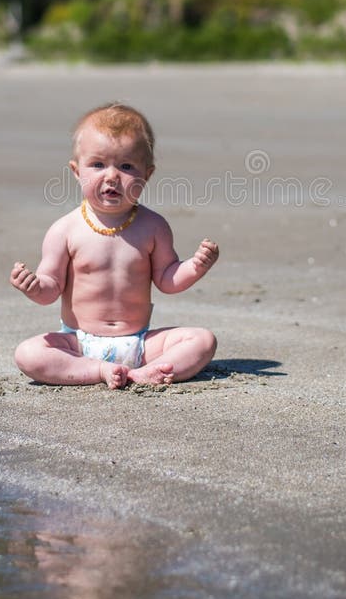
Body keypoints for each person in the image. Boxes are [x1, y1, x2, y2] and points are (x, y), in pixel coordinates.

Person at [11, 103, 219, 389]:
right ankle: (97, 370)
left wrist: (195, 266)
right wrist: (34, 286)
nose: (111, 176)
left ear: (147, 174)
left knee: (202, 340)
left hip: (141, 344)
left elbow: (167, 280)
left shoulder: (153, 227)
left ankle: (146, 372)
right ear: (76, 171)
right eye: (97, 165)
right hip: (78, 342)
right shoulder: (65, 230)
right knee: (29, 354)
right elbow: (51, 288)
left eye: (126, 166)